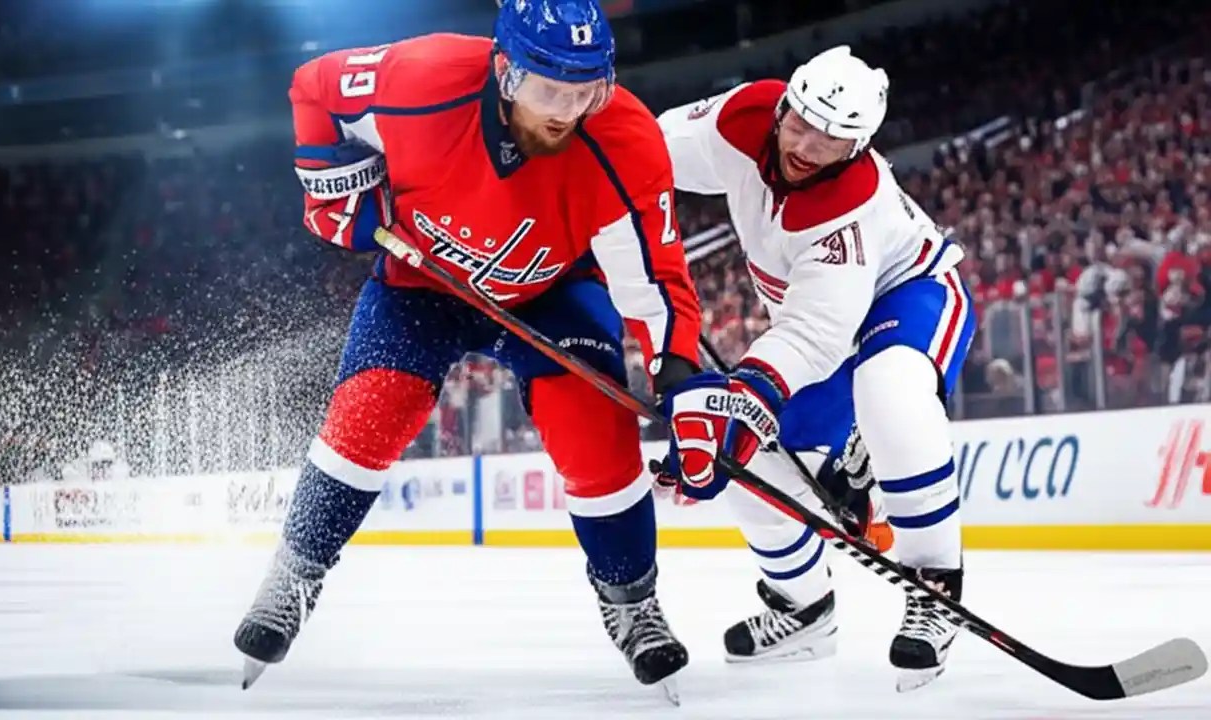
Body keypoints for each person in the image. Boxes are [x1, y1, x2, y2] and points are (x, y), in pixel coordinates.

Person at [233, 0, 703, 696]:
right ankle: (293, 576)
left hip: (552, 289)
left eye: (587, 91)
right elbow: (313, 88)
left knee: (599, 435)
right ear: (506, 71)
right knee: (368, 415)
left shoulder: (626, 139)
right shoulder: (421, 78)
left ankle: (633, 603)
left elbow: (657, 278)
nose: (567, 111)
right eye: (550, 89)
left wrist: (679, 375)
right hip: (420, 281)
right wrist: (329, 189)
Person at [654, 45, 976, 691]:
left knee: (887, 385)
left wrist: (748, 395)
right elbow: (643, 153)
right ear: (784, 104)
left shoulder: (848, 200)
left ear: (857, 147)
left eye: (831, 139)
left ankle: (936, 585)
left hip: (908, 299)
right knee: (740, 455)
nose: (805, 145)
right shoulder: (741, 118)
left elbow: (814, 333)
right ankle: (804, 608)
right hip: (823, 332)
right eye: (799, 122)